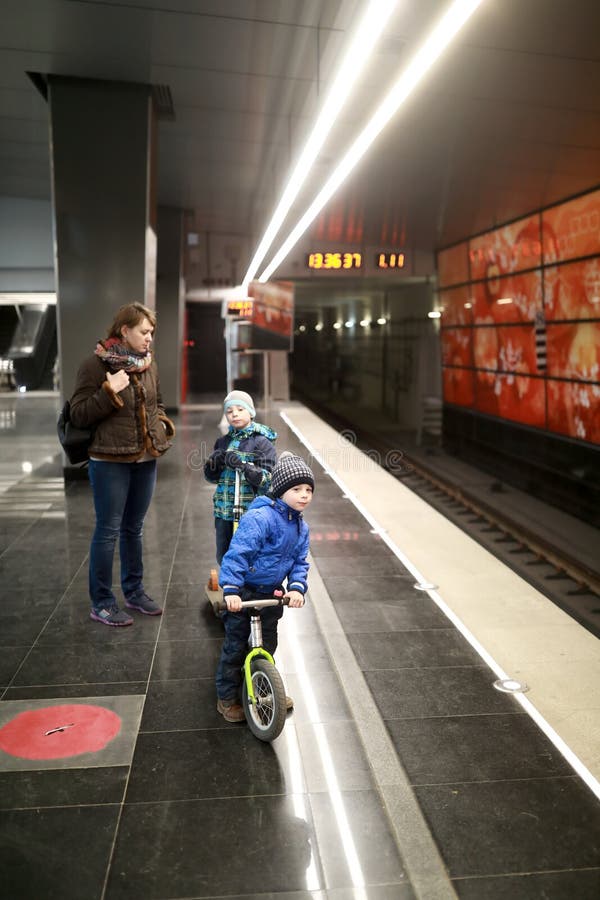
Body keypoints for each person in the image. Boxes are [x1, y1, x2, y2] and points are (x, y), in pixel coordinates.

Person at [69, 302, 175, 626]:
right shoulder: (95, 365)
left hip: (144, 458)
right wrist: (107, 391)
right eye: (144, 332)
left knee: (134, 528)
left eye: (152, 333)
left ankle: (134, 592)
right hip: (109, 460)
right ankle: (101, 602)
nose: (149, 339)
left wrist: (162, 428)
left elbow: (158, 402)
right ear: (124, 330)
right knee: (108, 530)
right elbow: (78, 414)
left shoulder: (148, 364)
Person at [215, 451, 314, 723]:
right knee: (235, 647)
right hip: (245, 592)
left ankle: (265, 686)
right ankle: (226, 698)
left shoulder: (301, 528)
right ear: (281, 491)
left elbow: (299, 562)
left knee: (266, 644)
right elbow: (238, 554)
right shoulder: (260, 518)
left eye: (308, 489)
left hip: (271, 594)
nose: (304, 495)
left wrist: (296, 588)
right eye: (297, 489)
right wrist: (232, 590)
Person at [204, 390, 277, 564]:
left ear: (251, 412)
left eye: (240, 409)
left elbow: (267, 480)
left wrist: (243, 466)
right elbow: (212, 478)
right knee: (224, 554)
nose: (234, 414)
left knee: (249, 553)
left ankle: (250, 588)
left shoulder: (261, 442)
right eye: (229, 411)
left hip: (249, 510)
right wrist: (214, 464)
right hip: (223, 511)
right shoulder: (222, 442)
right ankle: (231, 587)